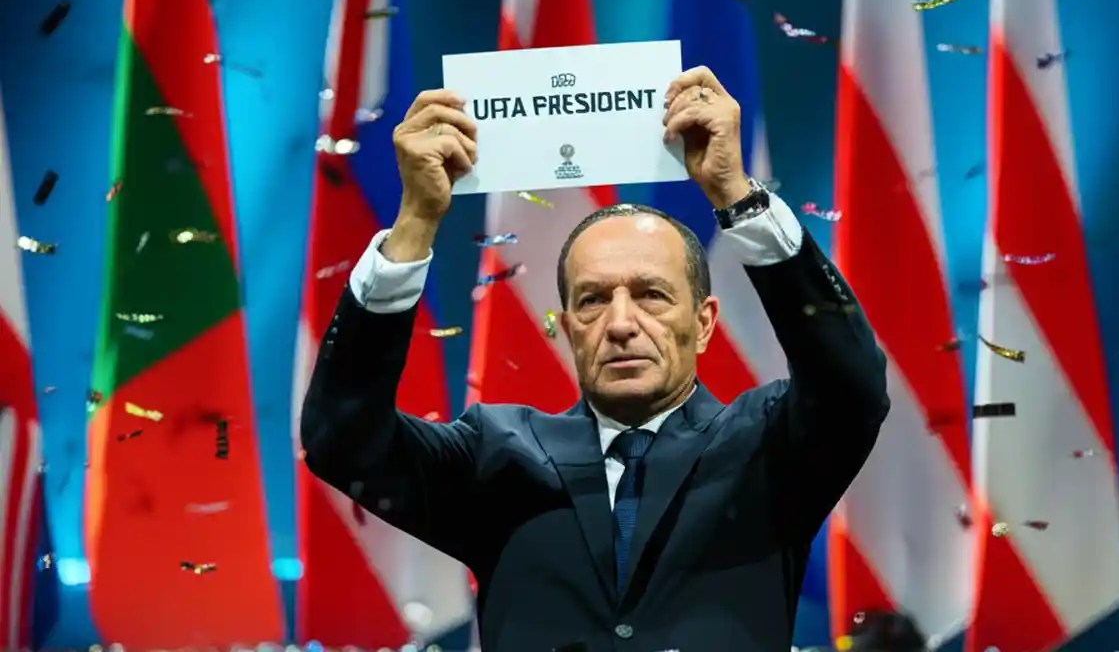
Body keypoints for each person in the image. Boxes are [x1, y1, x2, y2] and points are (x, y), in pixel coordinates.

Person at [301, 66, 890, 651]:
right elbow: (341, 438)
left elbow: (851, 383)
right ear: (564, 326)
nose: (622, 323)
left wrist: (737, 195)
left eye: (652, 295)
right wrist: (416, 222)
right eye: (593, 300)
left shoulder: (768, 447)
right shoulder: (494, 457)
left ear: (704, 323)